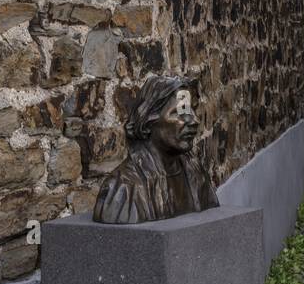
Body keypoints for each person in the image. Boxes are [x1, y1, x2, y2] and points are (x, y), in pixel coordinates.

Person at [93, 74, 218, 224]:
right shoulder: (123, 189)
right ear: (147, 120)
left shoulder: (196, 174)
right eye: (179, 112)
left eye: (191, 110)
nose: (194, 120)